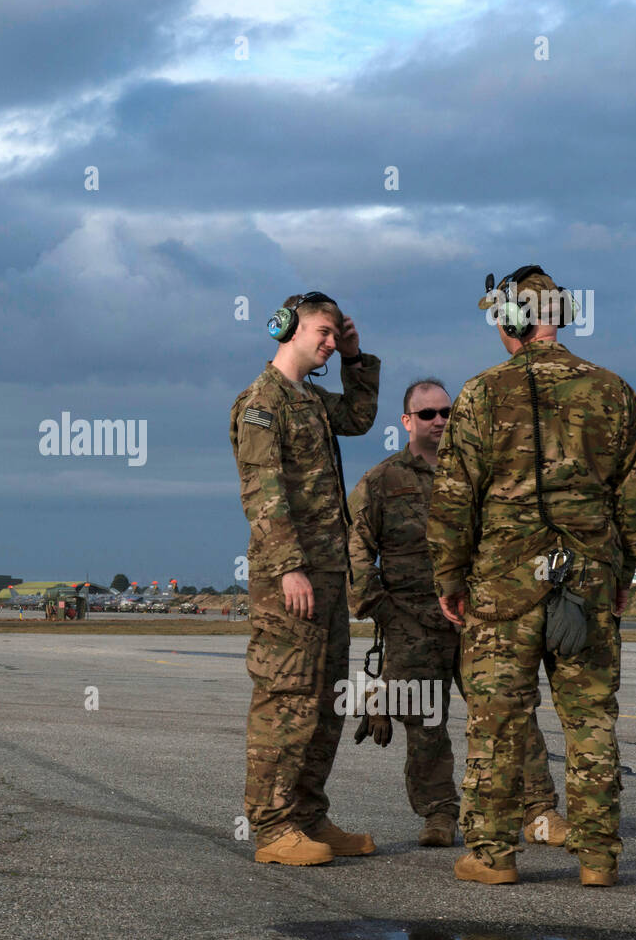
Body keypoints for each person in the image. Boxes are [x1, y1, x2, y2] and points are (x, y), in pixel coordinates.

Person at [428, 266, 636, 886]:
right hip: (589, 581)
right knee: (591, 721)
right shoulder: (614, 392)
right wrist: (623, 570)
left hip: (503, 587)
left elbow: (453, 499)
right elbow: (635, 499)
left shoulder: (480, 393)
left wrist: (449, 577)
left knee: (495, 722)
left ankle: (494, 856)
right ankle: (599, 857)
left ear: (515, 320)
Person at [349, 379, 572, 849]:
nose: (438, 421)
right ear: (406, 421)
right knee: (425, 726)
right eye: (426, 414)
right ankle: (438, 814)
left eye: (446, 412)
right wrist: (383, 611)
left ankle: (539, 811)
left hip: (481, 620)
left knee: (509, 713)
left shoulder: (481, 474)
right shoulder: (382, 481)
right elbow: (354, 552)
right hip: (412, 625)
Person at [229, 292, 380, 865]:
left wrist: (355, 357)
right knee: (286, 696)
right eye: (323, 331)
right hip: (287, 578)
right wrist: (290, 567)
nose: (330, 341)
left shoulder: (311, 400)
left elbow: (361, 418)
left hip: (327, 575)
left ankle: (309, 814)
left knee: (325, 700)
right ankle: (272, 827)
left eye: (336, 333)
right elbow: (263, 492)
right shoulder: (262, 403)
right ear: (287, 328)